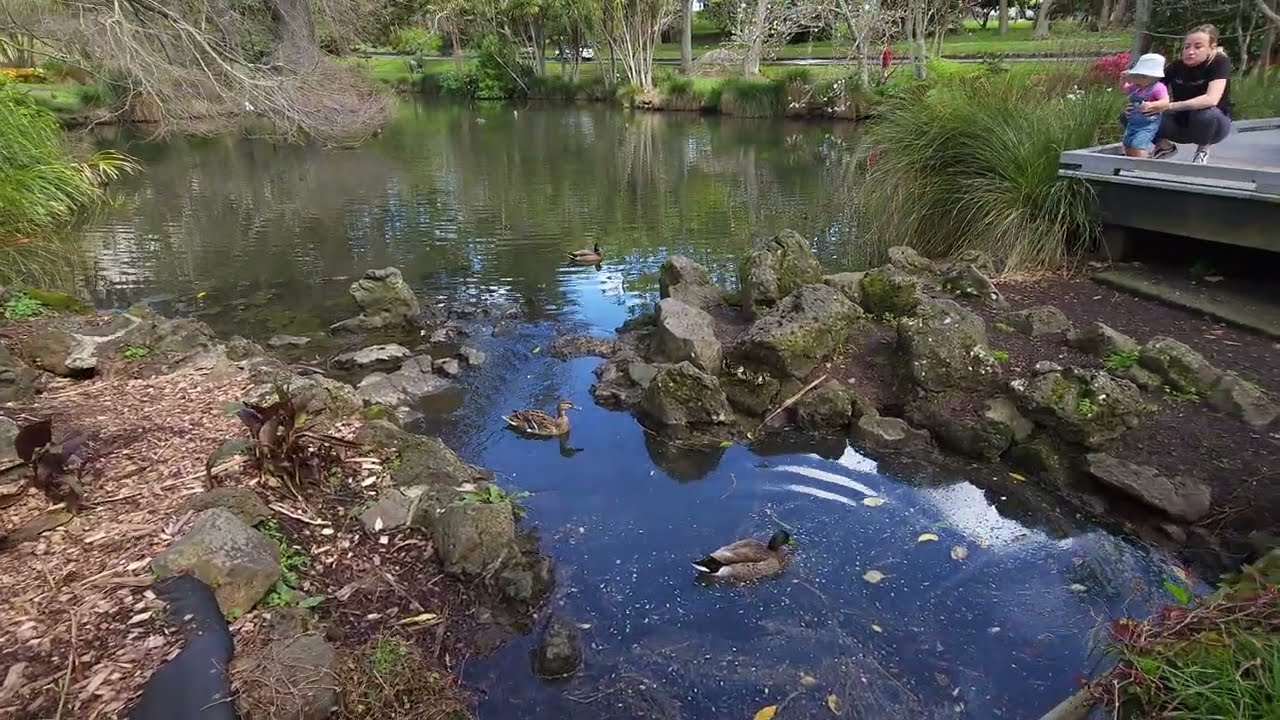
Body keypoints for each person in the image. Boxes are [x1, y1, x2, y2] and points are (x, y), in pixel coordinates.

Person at [1140, 24, 1233, 165]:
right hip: (1180, 124)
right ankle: (1164, 147)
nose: (1190, 52)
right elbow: (1152, 88)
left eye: (1198, 47)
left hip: (1213, 126)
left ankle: (1202, 150)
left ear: (1211, 47)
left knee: (1204, 114)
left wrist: (1168, 106)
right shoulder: (1177, 66)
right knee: (1133, 113)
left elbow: (1211, 99)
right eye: (1186, 47)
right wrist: (1140, 100)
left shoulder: (1219, 63)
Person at [1119, 53, 1168, 158]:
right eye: (1135, 76)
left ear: (1154, 77)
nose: (1137, 80)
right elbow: (1125, 90)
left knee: (1138, 144)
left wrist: (1152, 104)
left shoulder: (1158, 88)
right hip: (1132, 123)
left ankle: (1140, 165)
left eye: (1142, 77)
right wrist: (1123, 80)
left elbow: (1165, 102)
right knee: (1127, 143)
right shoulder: (1136, 87)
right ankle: (1129, 165)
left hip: (1148, 123)